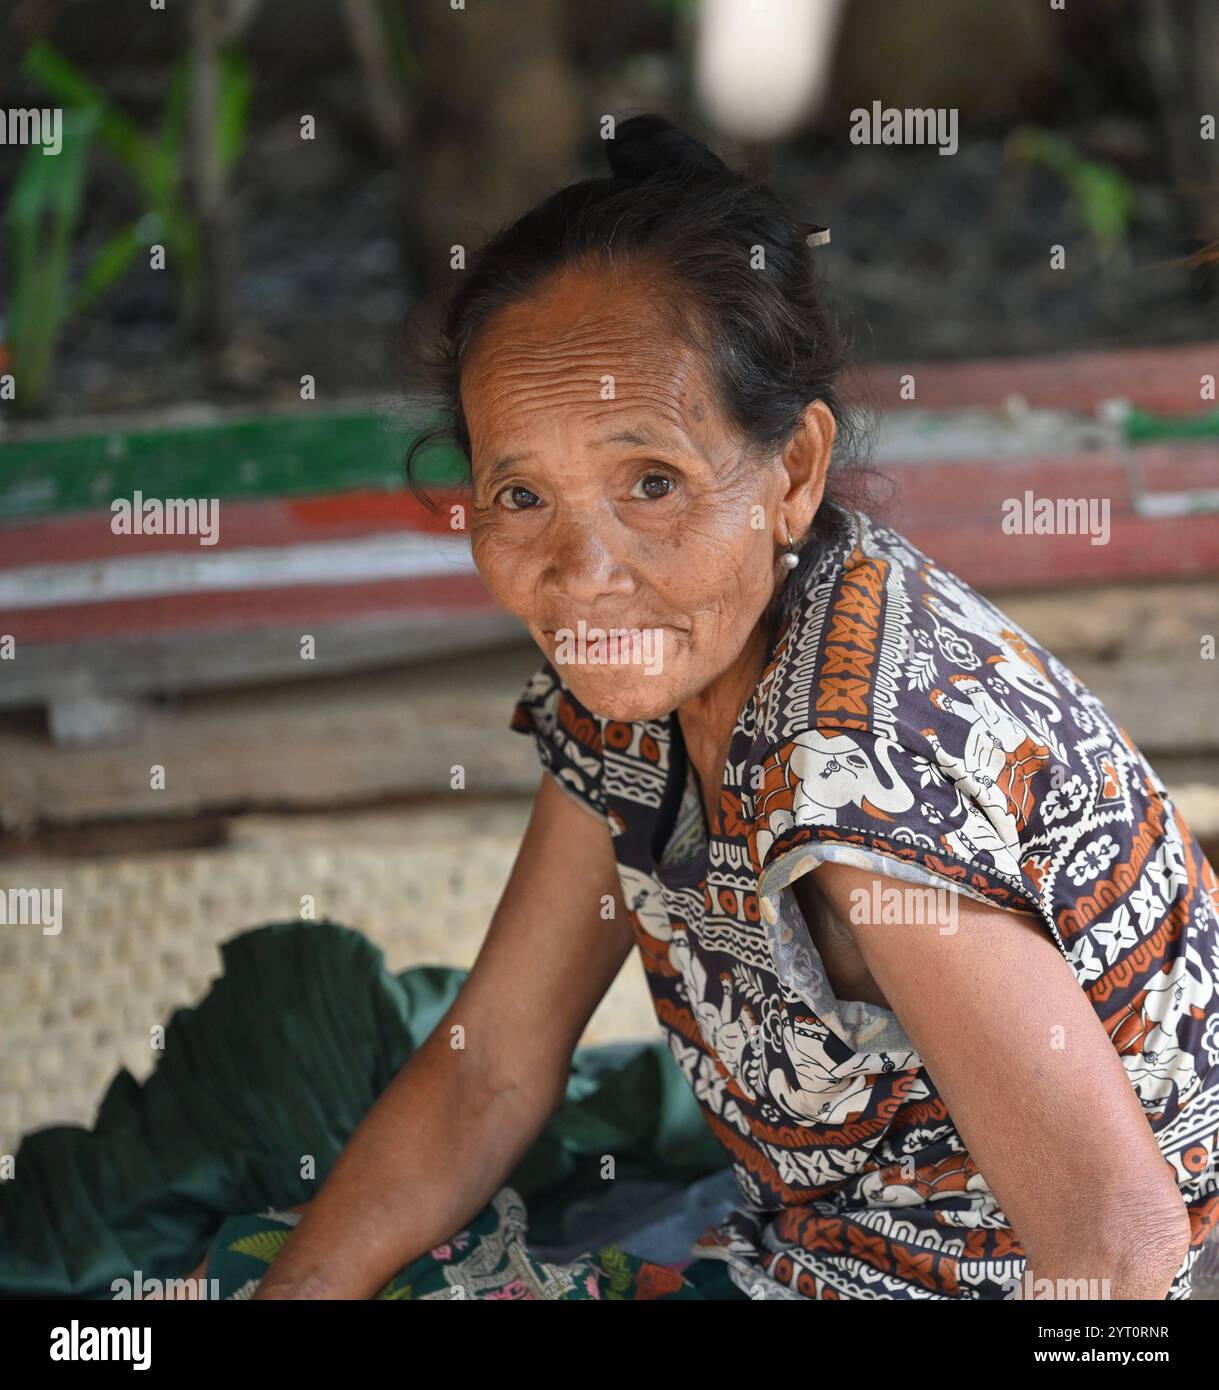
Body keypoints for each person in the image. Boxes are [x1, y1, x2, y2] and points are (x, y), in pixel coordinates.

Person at [18, 113, 1218, 1301]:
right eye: (522, 493)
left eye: (651, 482)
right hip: (802, 1249)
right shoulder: (642, 688)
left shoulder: (858, 779)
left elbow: (1122, 1251)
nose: (582, 574)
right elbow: (490, 1069)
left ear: (792, 472)